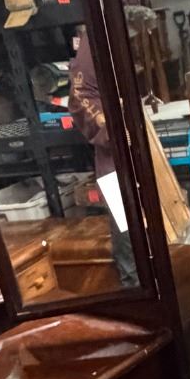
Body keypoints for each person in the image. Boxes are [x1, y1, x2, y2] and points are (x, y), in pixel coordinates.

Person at [67, 26, 139, 287]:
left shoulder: (120, 26)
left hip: (137, 141)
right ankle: (134, 291)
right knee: (126, 222)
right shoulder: (97, 35)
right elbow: (79, 96)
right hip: (114, 147)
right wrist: (112, 128)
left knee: (147, 223)